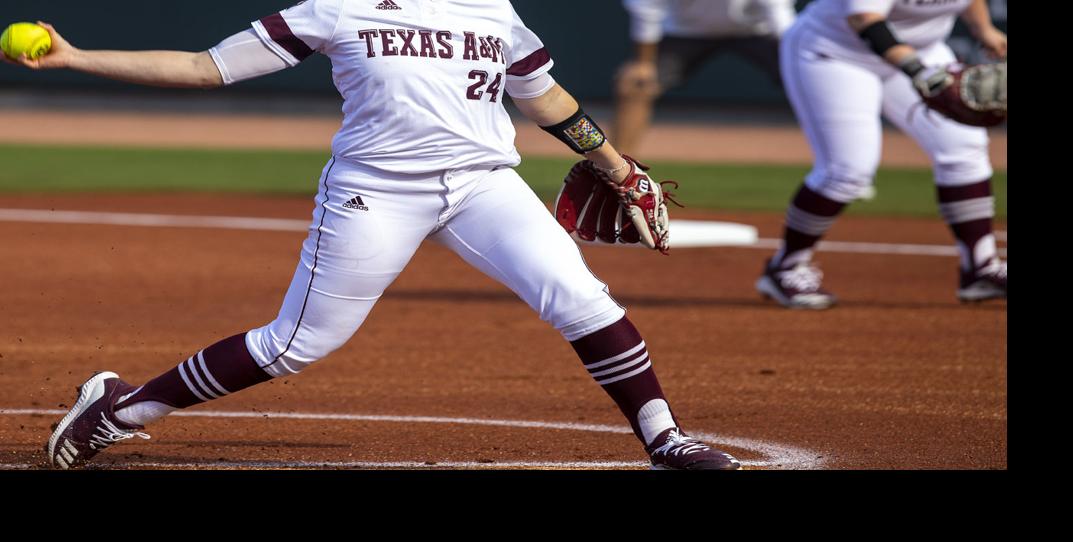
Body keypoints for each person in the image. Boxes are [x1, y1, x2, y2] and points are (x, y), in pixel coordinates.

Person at [5, 0, 740, 470]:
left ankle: (663, 440)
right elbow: (206, 68)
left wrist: (612, 163)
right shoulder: (334, 10)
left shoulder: (493, 13)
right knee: (295, 345)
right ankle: (120, 407)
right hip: (376, 191)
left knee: (583, 301)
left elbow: (545, 98)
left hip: (484, 185)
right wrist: (74, 58)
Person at [755, 0, 1007, 309]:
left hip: (921, 52)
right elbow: (864, 18)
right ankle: (786, 267)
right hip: (835, 53)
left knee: (963, 150)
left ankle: (980, 268)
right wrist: (918, 72)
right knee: (847, 171)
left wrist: (984, 29)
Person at [613, 0, 797, 155]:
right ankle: (618, 172)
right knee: (635, 84)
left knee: (806, 78)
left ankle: (825, 170)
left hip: (758, 30)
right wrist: (644, 64)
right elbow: (646, 8)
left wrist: (797, 66)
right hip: (684, 32)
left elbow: (778, 15)